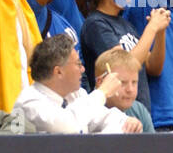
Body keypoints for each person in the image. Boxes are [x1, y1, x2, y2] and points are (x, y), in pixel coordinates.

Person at [11, 33, 143, 133]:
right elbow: (67, 126)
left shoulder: (76, 94)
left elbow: (107, 118)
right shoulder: (28, 102)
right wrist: (102, 92)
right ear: (58, 72)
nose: (83, 69)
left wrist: (127, 122)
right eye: (78, 64)